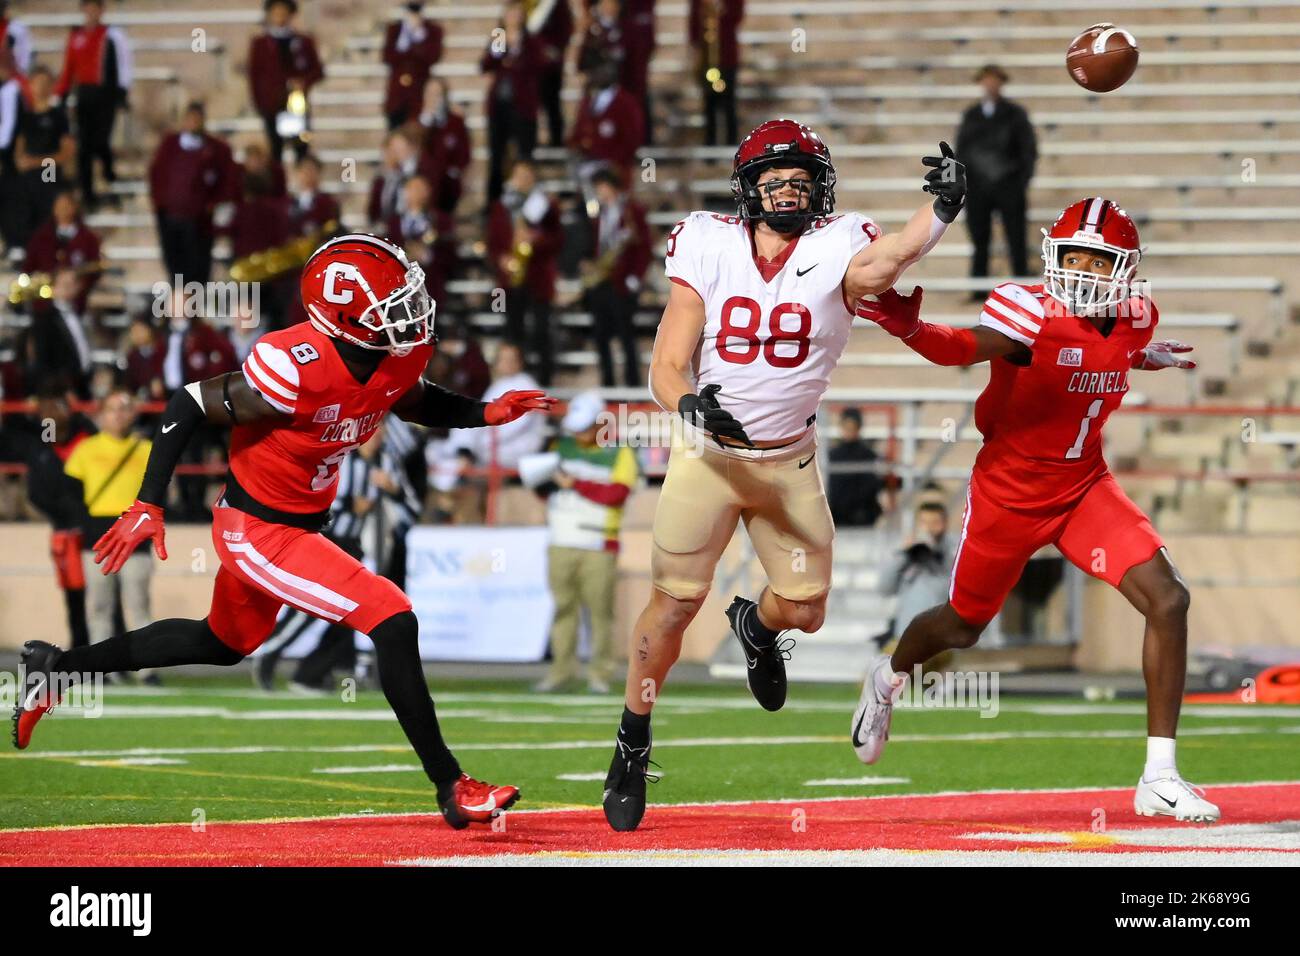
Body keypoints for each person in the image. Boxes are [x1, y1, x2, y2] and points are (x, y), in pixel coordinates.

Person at [13, 233, 556, 829]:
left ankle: (58, 668)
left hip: (298, 524)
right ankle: (452, 786)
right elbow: (189, 403)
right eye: (391, 305)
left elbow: (406, 396)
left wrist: (481, 412)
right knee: (392, 616)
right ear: (343, 318)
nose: (409, 311)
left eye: (406, 297)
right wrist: (149, 502)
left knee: (222, 643)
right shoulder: (293, 366)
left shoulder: (397, 356)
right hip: (259, 528)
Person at [600, 119, 967, 831]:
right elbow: (666, 364)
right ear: (748, 189)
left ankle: (756, 627)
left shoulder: (841, 245)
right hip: (709, 459)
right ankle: (631, 740)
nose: (789, 188)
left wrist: (942, 211)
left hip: (787, 461)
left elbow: (884, 262)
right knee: (673, 605)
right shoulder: (707, 244)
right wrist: (687, 405)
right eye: (775, 178)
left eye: (802, 177)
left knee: (804, 610)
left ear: (820, 189)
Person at [851, 197, 1218, 824]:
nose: (1081, 271)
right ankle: (888, 676)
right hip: (1009, 494)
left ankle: (1159, 775)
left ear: (1123, 270)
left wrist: (1137, 357)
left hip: (1083, 488)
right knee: (963, 626)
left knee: (1169, 599)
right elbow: (962, 347)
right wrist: (909, 326)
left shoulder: (1136, 317)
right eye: (1072, 256)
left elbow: (1097, 352)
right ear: (1053, 255)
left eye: (1097, 261)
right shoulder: (1028, 312)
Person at [535, 391, 639, 693]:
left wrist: (576, 484)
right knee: (563, 609)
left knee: (600, 613)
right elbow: (543, 489)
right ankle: (560, 671)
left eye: (584, 427)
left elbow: (617, 494)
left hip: (599, 543)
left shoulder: (620, 452)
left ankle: (600, 674)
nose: (578, 434)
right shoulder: (558, 447)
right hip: (561, 540)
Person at [63, 388, 157, 682]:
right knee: (99, 606)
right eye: (113, 409)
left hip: (134, 537)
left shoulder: (146, 450)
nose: (119, 414)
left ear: (134, 414)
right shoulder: (86, 449)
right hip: (98, 536)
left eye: (125, 408)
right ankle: (100, 668)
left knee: (138, 604)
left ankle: (147, 670)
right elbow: (71, 495)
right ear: (101, 415)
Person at [956, 64, 1037, 293]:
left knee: (1016, 235)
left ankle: (1022, 285)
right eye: (986, 80)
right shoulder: (971, 115)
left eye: (995, 80)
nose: (990, 84)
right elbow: (962, 150)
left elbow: (1028, 149)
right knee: (979, 236)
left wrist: (1021, 179)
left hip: (1008, 183)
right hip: (978, 185)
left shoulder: (1015, 114)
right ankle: (978, 286)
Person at [487, 160, 563, 386]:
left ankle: (544, 379)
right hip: (511, 278)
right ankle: (517, 380)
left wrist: (535, 239)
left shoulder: (546, 205)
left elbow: (559, 239)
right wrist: (501, 258)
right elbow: (493, 242)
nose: (522, 180)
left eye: (527, 175)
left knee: (541, 330)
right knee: (513, 330)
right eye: (518, 175)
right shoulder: (501, 207)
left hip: (538, 276)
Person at [149, 101, 239, 288]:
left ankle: (194, 310)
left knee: (197, 269)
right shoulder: (169, 145)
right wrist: (160, 202)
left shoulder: (217, 149)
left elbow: (228, 180)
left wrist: (213, 204)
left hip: (199, 221)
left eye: (197, 119)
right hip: (170, 216)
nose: (193, 123)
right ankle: (181, 307)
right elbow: (156, 174)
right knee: (175, 267)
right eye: (189, 119)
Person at [54, 0, 132, 210]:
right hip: (84, 95)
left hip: (105, 94)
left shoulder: (112, 35)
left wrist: (122, 93)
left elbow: (124, 63)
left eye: (95, 6)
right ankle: (88, 195)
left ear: (101, 10)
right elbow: (68, 67)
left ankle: (110, 179)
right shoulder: (76, 35)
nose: (91, 11)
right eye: (87, 6)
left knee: (100, 141)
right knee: (84, 147)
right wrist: (61, 94)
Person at [582, 168, 649, 387]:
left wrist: (635, 277)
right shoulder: (597, 213)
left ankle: (632, 383)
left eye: (601, 186)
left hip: (622, 283)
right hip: (601, 280)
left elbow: (644, 246)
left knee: (625, 334)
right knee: (601, 335)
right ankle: (607, 383)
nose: (599, 192)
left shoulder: (632, 211)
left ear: (612, 186)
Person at [480, 0, 540, 204]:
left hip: (522, 106)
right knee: (497, 157)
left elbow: (537, 65)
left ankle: (527, 201)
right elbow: (488, 63)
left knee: (525, 156)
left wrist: (513, 60)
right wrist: (505, 52)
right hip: (500, 106)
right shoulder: (500, 37)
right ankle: (493, 205)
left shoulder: (530, 40)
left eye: (516, 13)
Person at [248, 0, 323, 161]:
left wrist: (303, 82)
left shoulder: (303, 42)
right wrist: (261, 103)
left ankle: (303, 182)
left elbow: (317, 70)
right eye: (276, 12)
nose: (280, 17)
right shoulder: (260, 44)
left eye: (283, 12)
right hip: (273, 104)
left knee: (301, 146)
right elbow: (254, 75)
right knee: (275, 149)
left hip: (297, 103)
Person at [879, 500, 955, 650]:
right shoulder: (906, 552)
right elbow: (884, 589)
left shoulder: (953, 550)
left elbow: (954, 591)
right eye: (924, 522)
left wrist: (936, 555)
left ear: (945, 524)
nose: (929, 528)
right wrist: (904, 555)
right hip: (907, 637)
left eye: (935, 523)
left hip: (943, 641)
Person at [23, 191, 103, 313]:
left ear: (74, 208)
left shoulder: (88, 238)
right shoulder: (41, 237)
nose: (63, 210)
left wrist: (77, 284)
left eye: (66, 206)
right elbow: (28, 268)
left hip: (77, 302)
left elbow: (95, 267)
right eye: (59, 207)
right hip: (45, 304)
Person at [688, 0, 742, 147]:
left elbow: (736, 16)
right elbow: (693, 21)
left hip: (726, 57)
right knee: (709, 104)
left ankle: (731, 145)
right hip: (706, 58)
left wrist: (718, 9)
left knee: (729, 103)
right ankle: (710, 145)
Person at [381, 2, 443, 130]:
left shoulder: (432, 30)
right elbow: (387, 57)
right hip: (398, 95)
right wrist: (406, 37)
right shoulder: (395, 30)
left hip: (420, 92)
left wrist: (416, 36)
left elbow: (433, 57)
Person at [826, 406, 881, 527]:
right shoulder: (832, 455)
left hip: (862, 517)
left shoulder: (869, 455)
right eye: (846, 427)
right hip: (838, 517)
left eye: (853, 427)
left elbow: (870, 488)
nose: (849, 431)